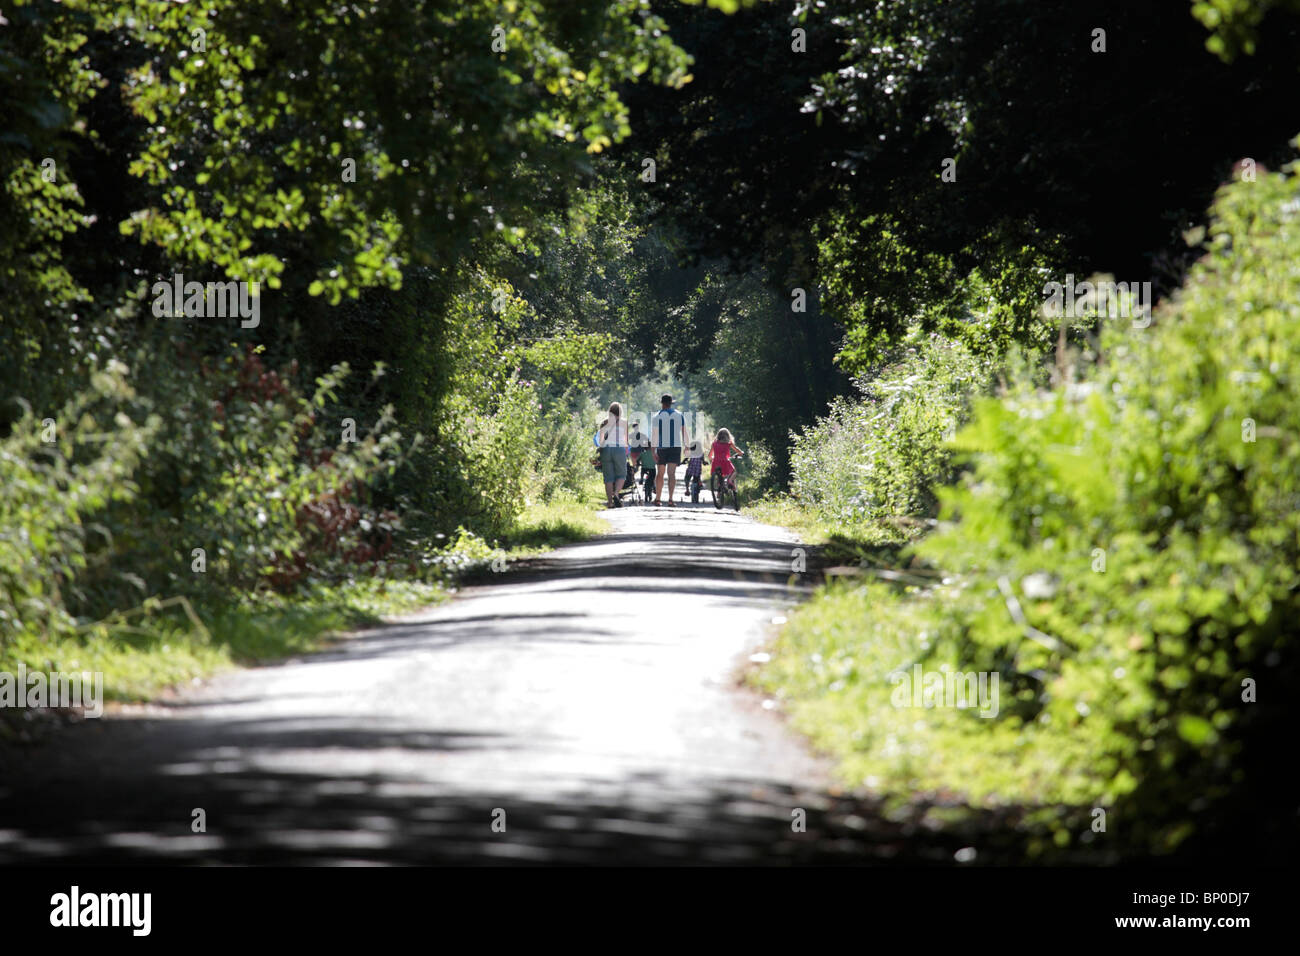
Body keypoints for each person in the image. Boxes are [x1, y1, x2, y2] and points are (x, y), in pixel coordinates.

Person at [650, 393, 689, 506]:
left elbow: (654, 436)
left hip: (662, 447)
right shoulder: (679, 415)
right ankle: (671, 499)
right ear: (671, 403)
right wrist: (686, 445)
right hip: (675, 447)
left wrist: (653, 451)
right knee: (671, 474)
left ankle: (658, 499)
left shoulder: (657, 416)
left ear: (662, 403)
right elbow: (684, 431)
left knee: (660, 474)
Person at [597, 402, 629, 508]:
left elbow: (600, 440)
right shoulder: (624, 422)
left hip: (606, 449)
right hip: (619, 449)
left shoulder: (604, 422)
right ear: (620, 411)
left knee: (608, 478)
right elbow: (626, 441)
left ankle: (610, 502)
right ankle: (616, 493)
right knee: (622, 475)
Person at [708, 427, 743, 492]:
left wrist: (712, 457)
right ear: (728, 435)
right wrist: (741, 453)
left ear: (718, 435)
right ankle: (729, 481)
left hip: (716, 463)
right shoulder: (729, 443)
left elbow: (709, 456)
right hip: (725, 462)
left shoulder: (714, 444)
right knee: (734, 472)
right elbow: (737, 450)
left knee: (719, 475)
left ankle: (719, 491)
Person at [683, 439, 706, 503]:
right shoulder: (701, 453)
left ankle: (687, 490)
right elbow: (703, 461)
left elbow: (685, 459)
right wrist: (705, 463)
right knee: (697, 479)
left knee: (686, 478)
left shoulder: (690, 452)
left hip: (690, 470)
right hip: (697, 471)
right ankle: (699, 485)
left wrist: (682, 462)